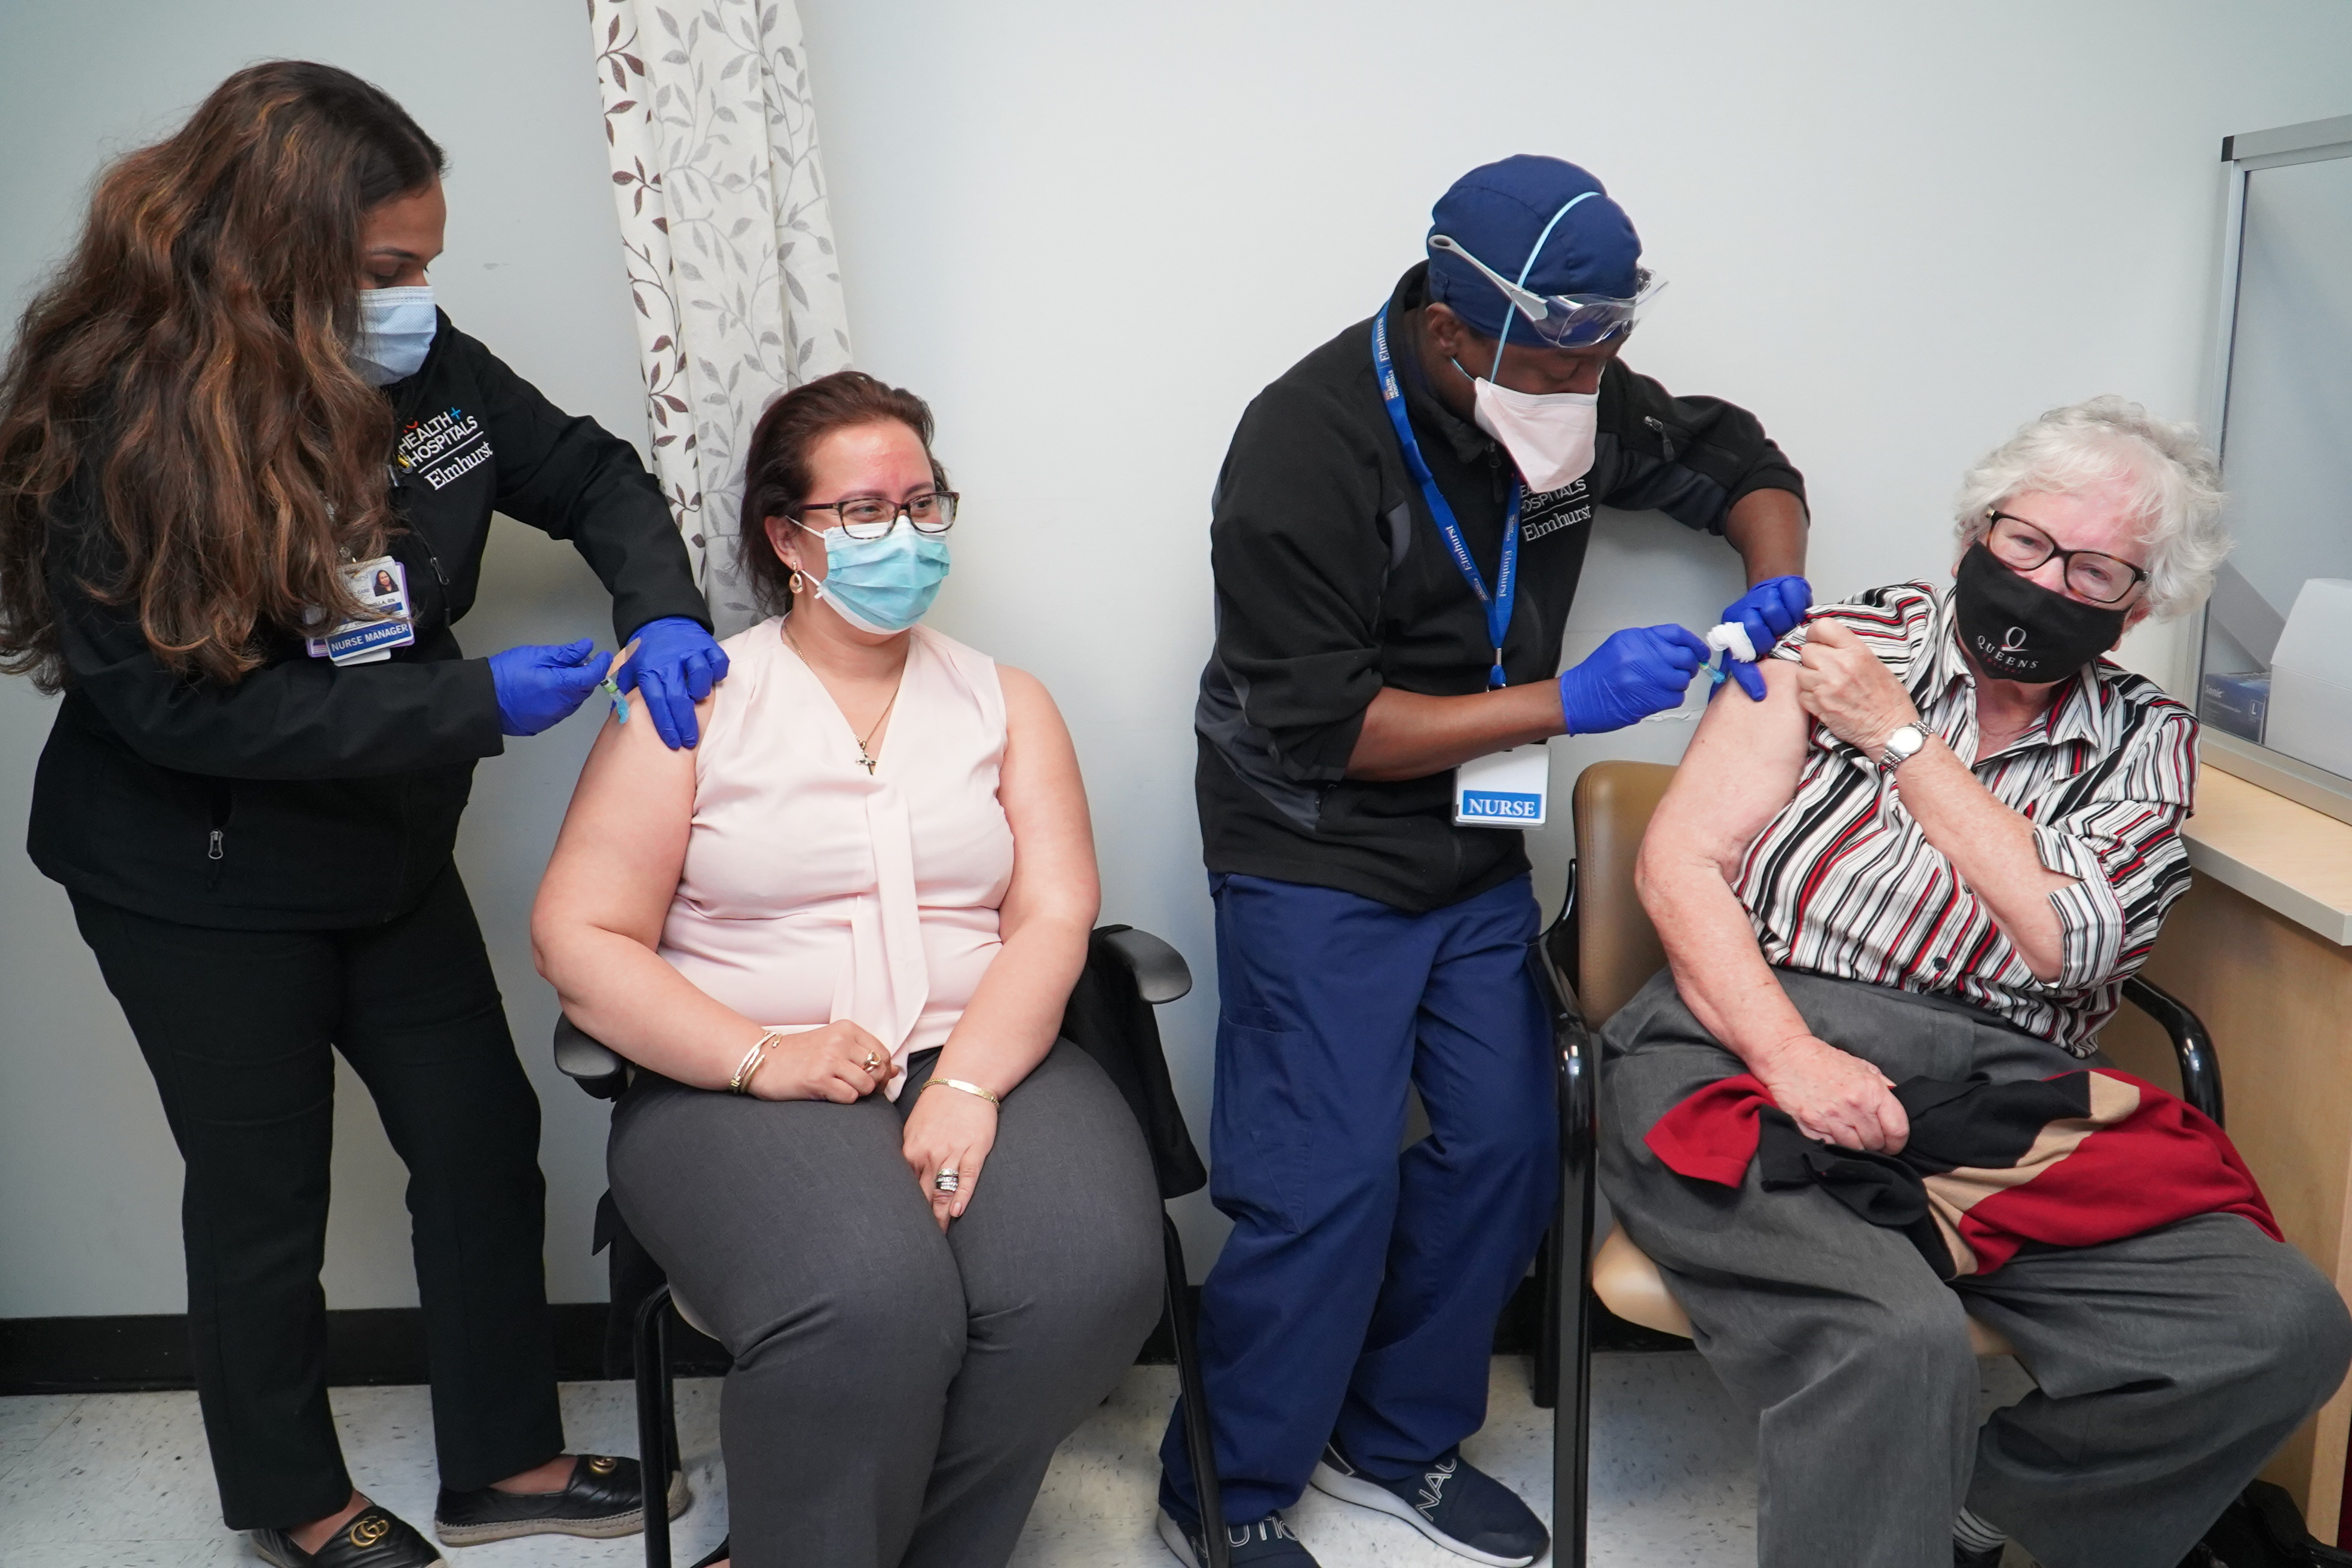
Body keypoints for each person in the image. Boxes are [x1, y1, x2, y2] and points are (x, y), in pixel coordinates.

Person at [0, 64, 730, 1568]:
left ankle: (505, 1462)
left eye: (426, 265)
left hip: (380, 843)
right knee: (264, 1191)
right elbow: (184, 710)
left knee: (479, 1133)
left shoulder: (427, 376)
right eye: (386, 270)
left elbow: (590, 474)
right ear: (273, 266)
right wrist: (474, 708)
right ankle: (296, 1500)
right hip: (190, 871)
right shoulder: (122, 426)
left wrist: (660, 613)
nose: (415, 298)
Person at [1162, 153, 1815, 1567]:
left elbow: (1745, 468)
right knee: (1323, 1181)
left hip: (1470, 848)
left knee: (1512, 1148)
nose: (1587, 391)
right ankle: (1231, 1483)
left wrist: (1776, 576)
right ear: (1453, 329)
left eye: (1608, 354)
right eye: (1558, 358)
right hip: (1314, 842)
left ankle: (1394, 1438)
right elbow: (1332, 726)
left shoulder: (1573, 388)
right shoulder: (1302, 447)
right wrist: (1566, 704)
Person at [1602, 396, 2352, 1568]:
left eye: (2097, 570)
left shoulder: (2144, 737)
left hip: (2002, 1084)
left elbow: (2075, 942)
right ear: (1974, 532)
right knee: (1893, 1342)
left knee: (2279, 1327)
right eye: (2027, 543)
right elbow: (1680, 862)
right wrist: (1792, 1056)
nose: (2049, 583)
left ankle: (1977, 1518)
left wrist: (1904, 742)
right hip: (1750, 1038)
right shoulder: (1836, 649)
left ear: (2139, 603)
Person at [531, 370, 1165, 1568]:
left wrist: (969, 1084)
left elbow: (1054, 914)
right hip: (737, 1071)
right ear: (788, 537)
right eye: (866, 511)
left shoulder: (1007, 702)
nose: (907, 534)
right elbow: (580, 935)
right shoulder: (696, 704)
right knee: (869, 1301)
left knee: (1091, 1281)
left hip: (981, 1045)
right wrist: (760, 1053)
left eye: (925, 505)